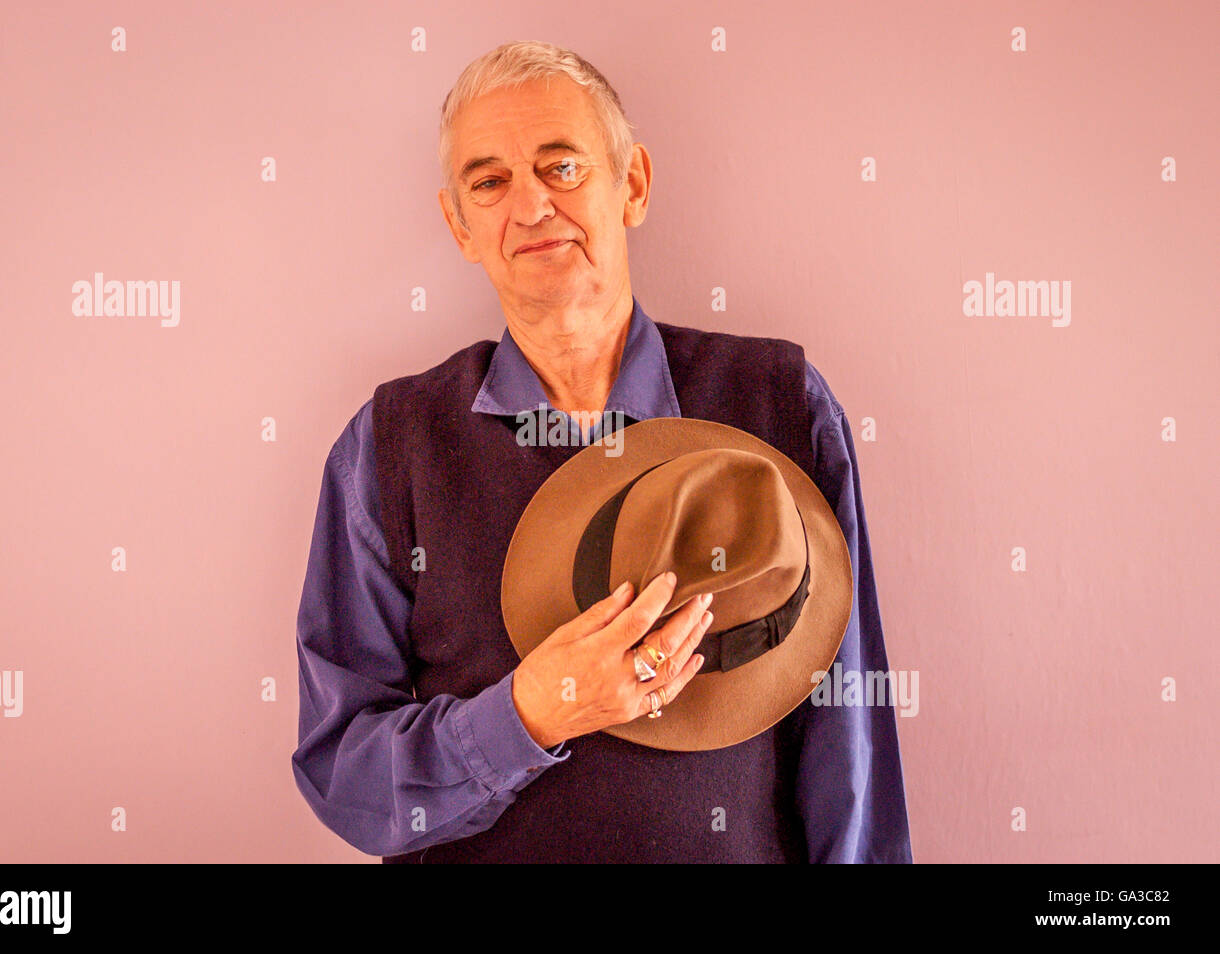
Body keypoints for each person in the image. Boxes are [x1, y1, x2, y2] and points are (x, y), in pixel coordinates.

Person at [291, 40, 913, 863]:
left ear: (634, 184)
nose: (531, 205)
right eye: (489, 182)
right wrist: (528, 715)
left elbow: (850, 749)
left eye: (563, 167)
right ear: (459, 223)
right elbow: (346, 776)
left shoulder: (781, 402)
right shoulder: (388, 443)